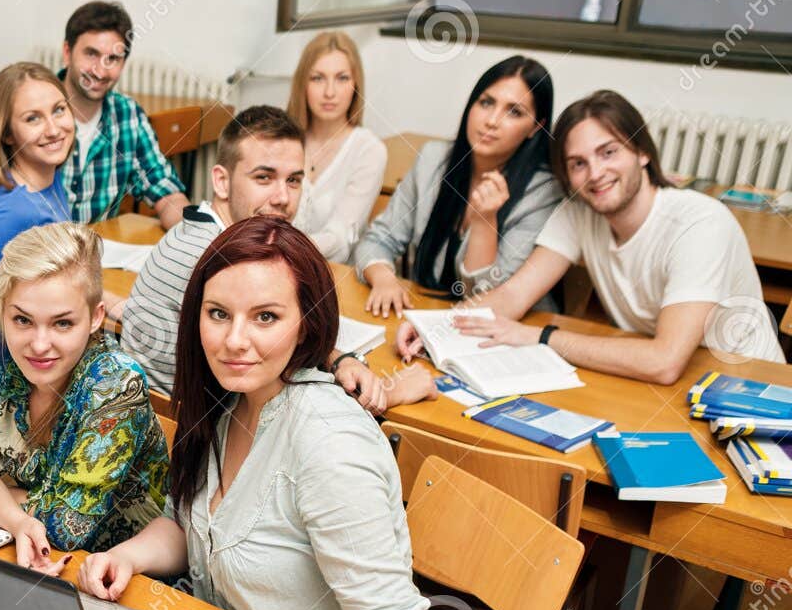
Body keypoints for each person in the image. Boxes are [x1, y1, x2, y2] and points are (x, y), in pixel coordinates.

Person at [79, 218, 440, 610]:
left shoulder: (328, 442)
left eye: (265, 317)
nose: (234, 341)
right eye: (218, 314)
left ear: (307, 326)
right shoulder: (233, 401)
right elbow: (192, 524)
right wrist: (129, 557)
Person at [395, 89, 785, 379]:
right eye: (578, 163)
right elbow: (514, 295)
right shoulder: (580, 213)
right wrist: (437, 328)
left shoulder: (700, 224)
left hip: (746, 384)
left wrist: (541, 337)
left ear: (642, 152)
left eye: (609, 152)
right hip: (663, 377)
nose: (595, 173)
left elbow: (664, 362)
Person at [116, 105, 433, 412]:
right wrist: (390, 391)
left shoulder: (196, 229)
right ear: (222, 181)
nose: (282, 199)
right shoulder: (223, 264)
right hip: (198, 444)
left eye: (293, 180)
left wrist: (337, 358)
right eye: (264, 178)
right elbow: (285, 406)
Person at [0, 223, 167, 571]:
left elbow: (67, 528)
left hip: (117, 574)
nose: (38, 344)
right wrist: (18, 521)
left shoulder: (114, 385)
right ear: (3, 310)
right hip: (19, 549)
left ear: (96, 318)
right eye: (22, 319)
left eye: (62, 324)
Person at [0, 1, 190, 233]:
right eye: (91, 54)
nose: (100, 70)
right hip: (32, 263)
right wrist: (11, 246)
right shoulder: (23, 110)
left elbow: (165, 191)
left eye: (113, 58)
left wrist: (190, 232)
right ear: (67, 52)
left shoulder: (128, 116)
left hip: (93, 260)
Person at [354, 56, 561, 316]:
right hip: (425, 314)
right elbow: (378, 239)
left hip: (503, 331)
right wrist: (384, 278)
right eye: (486, 103)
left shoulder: (542, 193)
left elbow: (487, 299)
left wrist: (484, 220)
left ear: (535, 128)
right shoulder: (433, 159)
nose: (492, 120)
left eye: (514, 112)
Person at [0, 62, 74, 301]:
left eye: (59, 110)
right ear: (7, 134)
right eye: (33, 118)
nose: (54, 130)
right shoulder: (16, 212)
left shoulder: (50, 180)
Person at [288, 31, 387, 264]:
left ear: (356, 85)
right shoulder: (283, 139)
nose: (329, 92)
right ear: (302, 83)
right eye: (317, 78)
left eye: (342, 78)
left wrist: (284, 249)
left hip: (332, 277)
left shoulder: (369, 150)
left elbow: (341, 238)